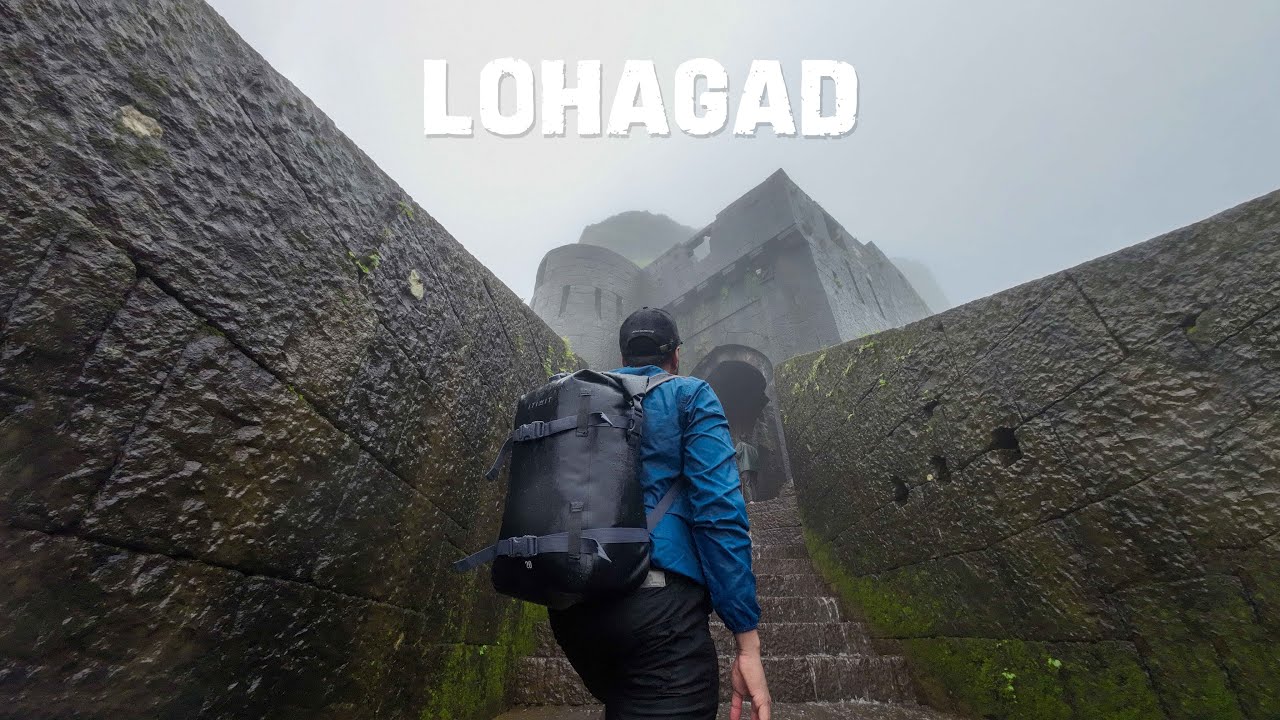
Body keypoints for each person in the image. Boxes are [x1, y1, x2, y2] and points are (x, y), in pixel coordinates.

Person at [548, 307, 772, 720]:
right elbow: (719, 515)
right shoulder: (690, 395)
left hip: (572, 609)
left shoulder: (577, 396)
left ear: (623, 356)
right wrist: (746, 641)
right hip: (657, 612)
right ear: (676, 356)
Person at [733, 436, 759, 504]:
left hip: (745, 467)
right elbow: (757, 458)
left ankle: (750, 500)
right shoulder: (753, 448)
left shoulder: (740, 444)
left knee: (746, 483)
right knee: (753, 483)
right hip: (754, 468)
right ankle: (755, 500)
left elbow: (737, 454)